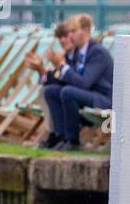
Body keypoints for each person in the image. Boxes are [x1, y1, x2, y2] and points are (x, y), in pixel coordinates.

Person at [32, 14, 113, 151]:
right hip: (87, 95)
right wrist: (42, 70)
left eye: (73, 31)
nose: (70, 36)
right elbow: (64, 80)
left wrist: (62, 66)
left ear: (86, 29)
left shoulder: (97, 52)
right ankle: (60, 136)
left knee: (68, 92)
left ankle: (72, 140)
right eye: (69, 32)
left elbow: (84, 83)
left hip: (103, 100)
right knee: (51, 91)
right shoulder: (77, 53)